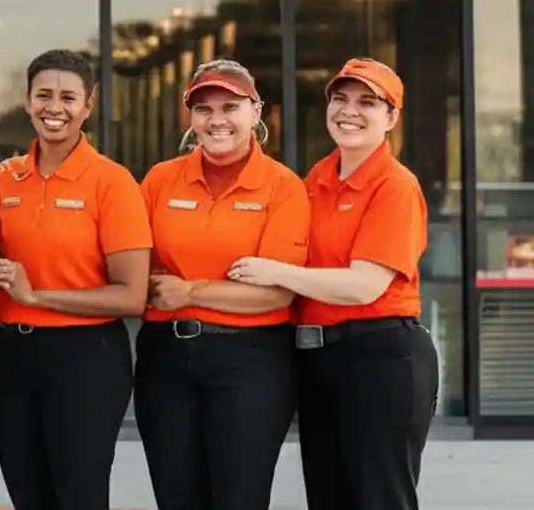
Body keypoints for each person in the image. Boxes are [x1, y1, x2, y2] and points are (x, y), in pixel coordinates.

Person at [229, 57, 438, 510]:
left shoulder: (395, 187)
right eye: (340, 99)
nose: (349, 111)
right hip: (319, 360)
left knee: (377, 498)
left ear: (391, 117)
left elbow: (364, 286)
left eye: (368, 102)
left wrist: (275, 273)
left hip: (380, 358)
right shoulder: (315, 180)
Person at [0, 49, 152, 510]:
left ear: (88, 106)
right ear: (27, 101)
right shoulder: (3, 180)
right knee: (27, 493)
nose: (54, 107)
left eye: (68, 97)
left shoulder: (112, 183)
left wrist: (34, 295)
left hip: (86, 358)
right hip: (14, 355)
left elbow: (132, 296)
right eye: (44, 95)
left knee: (79, 495)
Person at [134, 59, 310, 510]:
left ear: (257, 111)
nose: (217, 120)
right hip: (165, 360)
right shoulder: (159, 180)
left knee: (239, 497)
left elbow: (274, 292)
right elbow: (137, 274)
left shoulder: (283, 187)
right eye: (204, 108)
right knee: (176, 497)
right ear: (189, 117)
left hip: (250, 362)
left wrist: (189, 291)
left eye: (230, 106)